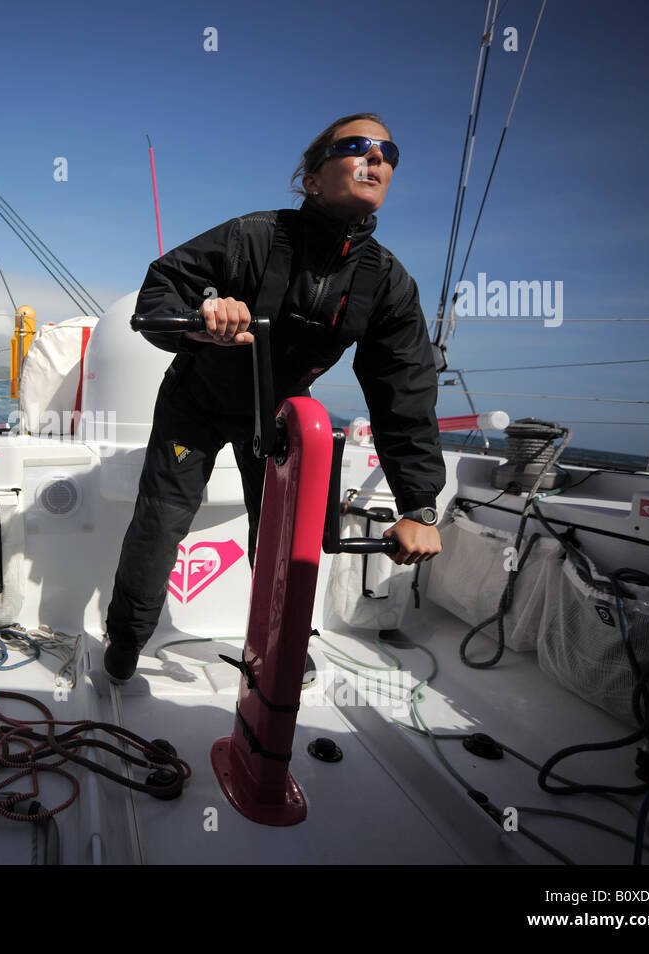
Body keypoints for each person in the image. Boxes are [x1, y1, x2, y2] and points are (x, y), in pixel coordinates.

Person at [104, 113, 445, 683]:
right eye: (357, 146)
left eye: (389, 151)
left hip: (280, 414)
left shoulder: (387, 283)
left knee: (285, 538)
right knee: (161, 523)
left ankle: (279, 643)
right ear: (311, 179)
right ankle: (126, 639)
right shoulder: (253, 236)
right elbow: (156, 296)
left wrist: (420, 505)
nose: (376, 157)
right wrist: (201, 317)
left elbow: (402, 391)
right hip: (198, 400)